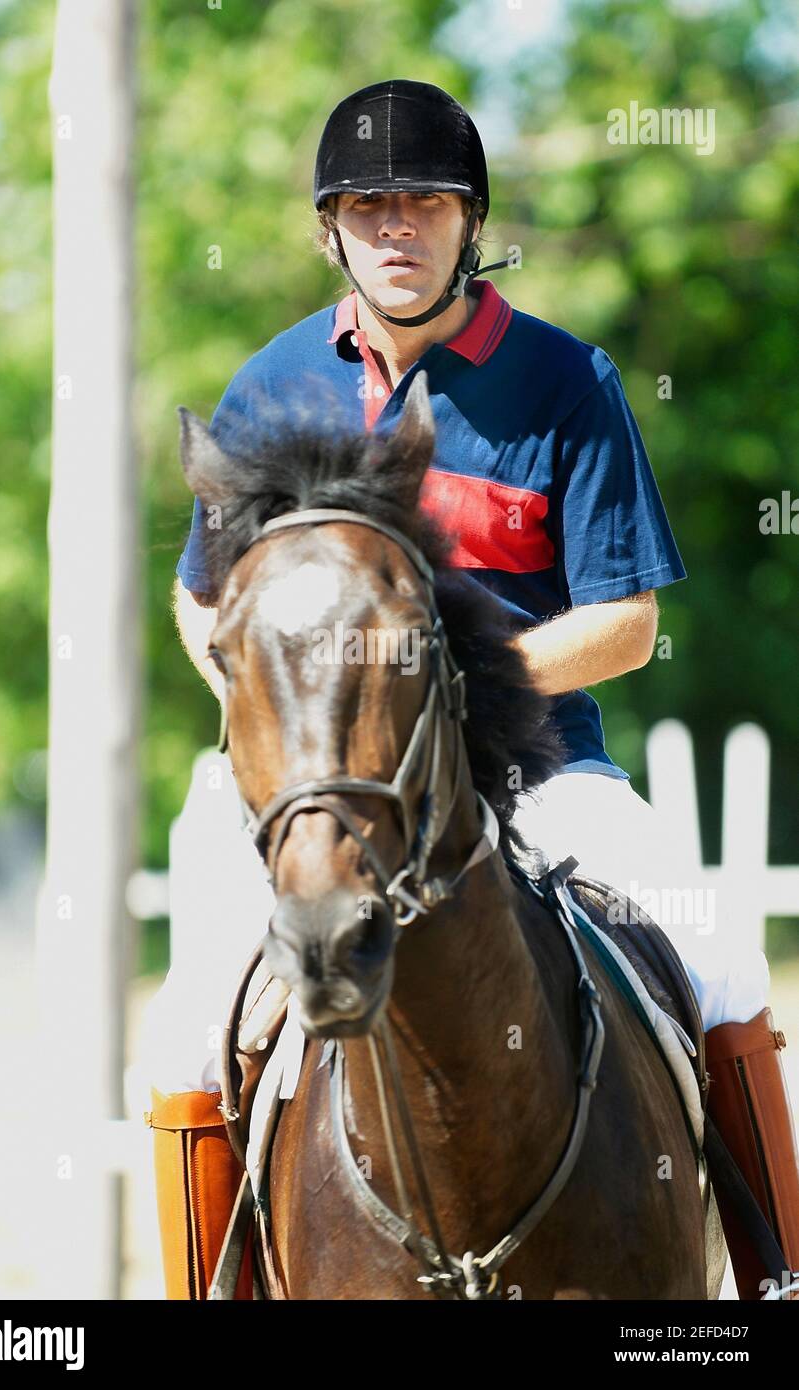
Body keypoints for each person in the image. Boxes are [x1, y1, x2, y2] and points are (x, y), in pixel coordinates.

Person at [140, 79, 799, 1301]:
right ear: (328, 227)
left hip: (543, 768)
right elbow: (201, 596)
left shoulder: (566, 381)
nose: (398, 229)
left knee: (717, 954)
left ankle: (776, 1281)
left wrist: (444, 699)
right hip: (317, 790)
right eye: (368, 206)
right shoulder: (268, 385)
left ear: (468, 222)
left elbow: (626, 622)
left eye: (425, 206)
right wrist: (286, 722)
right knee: (189, 1017)